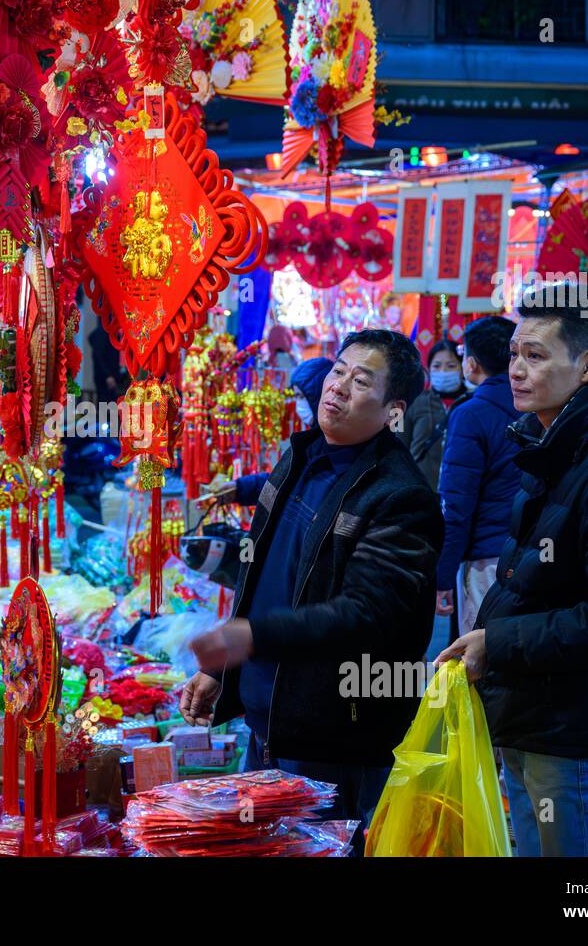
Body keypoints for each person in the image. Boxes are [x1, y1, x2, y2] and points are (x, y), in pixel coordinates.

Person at [182, 330, 443, 852]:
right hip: (268, 724)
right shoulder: (300, 455)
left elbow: (365, 615)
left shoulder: (401, 498)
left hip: (335, 736)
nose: (338, 386)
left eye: (360, 380)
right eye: (339, 370)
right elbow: (263, 574)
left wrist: (251, 637)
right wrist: (223, 669)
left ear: (394, 410)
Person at [438, 283, 588, 857]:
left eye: (537, 356)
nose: (516, 370)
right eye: (516, 353)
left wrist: (501, 641)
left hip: (576, 728)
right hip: (534, 713)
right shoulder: (557, 441)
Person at [434, 316, 521, 635]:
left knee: (478, 665)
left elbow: (456, 505)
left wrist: (443, 574)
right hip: (533, 557)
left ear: (471, 364)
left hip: (486, 559)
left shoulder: (471, 413)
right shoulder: (540, 405)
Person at [199, 357, 333, 510]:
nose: (298, 404)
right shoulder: (313, 441)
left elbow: (290, 487)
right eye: (296, 397)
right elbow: (284, 481)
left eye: (301, 397)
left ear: (317, 395)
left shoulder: (329, 445)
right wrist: (239, 488)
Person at [402, 339, 467, 490]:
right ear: (429, 369)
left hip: (459, 491)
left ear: (462, 369)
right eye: (437, 366)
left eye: (451, 365)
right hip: (419, 489)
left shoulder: (472, 403)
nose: (443, 371)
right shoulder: (415, 402)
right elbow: (400, 444)